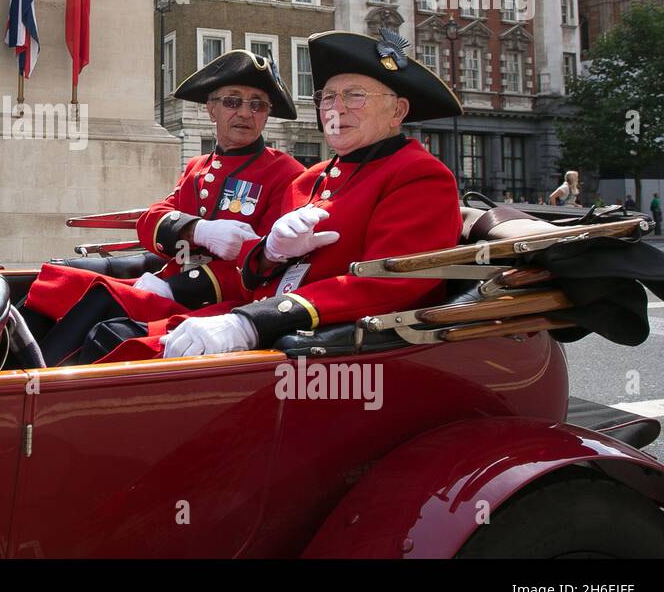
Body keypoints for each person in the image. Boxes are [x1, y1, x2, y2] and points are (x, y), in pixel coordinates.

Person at [92, 28, 465, 360]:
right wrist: (268, 254)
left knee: (115, 342)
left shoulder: (419, 174)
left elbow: (388, 283)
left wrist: (253, 321)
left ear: (397, 110)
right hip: (261, 320)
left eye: (354, 96)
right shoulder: (313, 178)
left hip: (320, 345)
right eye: (327, 97)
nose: (336, 109)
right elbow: (257, 273)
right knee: (101, 328)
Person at [20, 50, 304, 365]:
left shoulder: (286, 173)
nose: (245, 113)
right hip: (165, 281)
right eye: (233, 101)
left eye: (257, 105)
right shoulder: (198, 167)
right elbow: (150, 220)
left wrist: (174, 288)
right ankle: (11, 373)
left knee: (101, 300)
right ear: (211, 109)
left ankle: (34, 388)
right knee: (51, 284)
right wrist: (199, 229)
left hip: (210, 302)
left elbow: (267, 267)